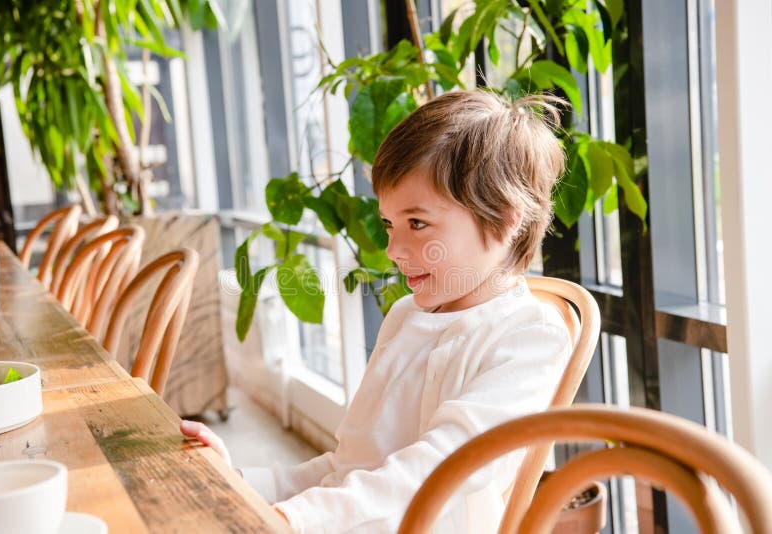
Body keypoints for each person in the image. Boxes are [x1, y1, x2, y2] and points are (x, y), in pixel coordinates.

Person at [181, 90, 572, 533]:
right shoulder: (406, 316)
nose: (393, 249)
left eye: (417, 224)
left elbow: (437, 468)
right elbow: (353, 467)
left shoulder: (530, 337)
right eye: (389, 224)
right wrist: (246, 483)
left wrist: (298, 517)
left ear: (504, 218)